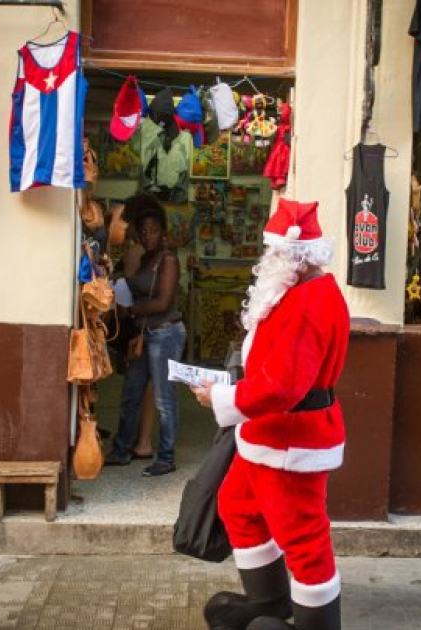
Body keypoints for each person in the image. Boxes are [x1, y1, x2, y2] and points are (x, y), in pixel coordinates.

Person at [192, 198, 350, 630]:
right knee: (238, 505)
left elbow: (284, 385)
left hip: (289, 440)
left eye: (273, 252)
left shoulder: (307, 302)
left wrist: (226, 400)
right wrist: (232, 392)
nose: (267, 261)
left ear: (293, 255)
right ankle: (270, 599)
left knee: (303, 537)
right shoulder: (297, 293)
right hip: (265, 433)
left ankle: (317, 623)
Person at [104, 193, 186, 476]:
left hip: (165, 333)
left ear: (163, 232)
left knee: (164, 398)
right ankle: (121, 449)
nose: (149, 235)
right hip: (145, 333)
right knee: (131, 392)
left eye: (155, 230)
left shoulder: (168, 260)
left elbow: (163, 302)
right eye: (145, 230)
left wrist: (131, 310)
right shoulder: (144, 258)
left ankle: (166, 456)